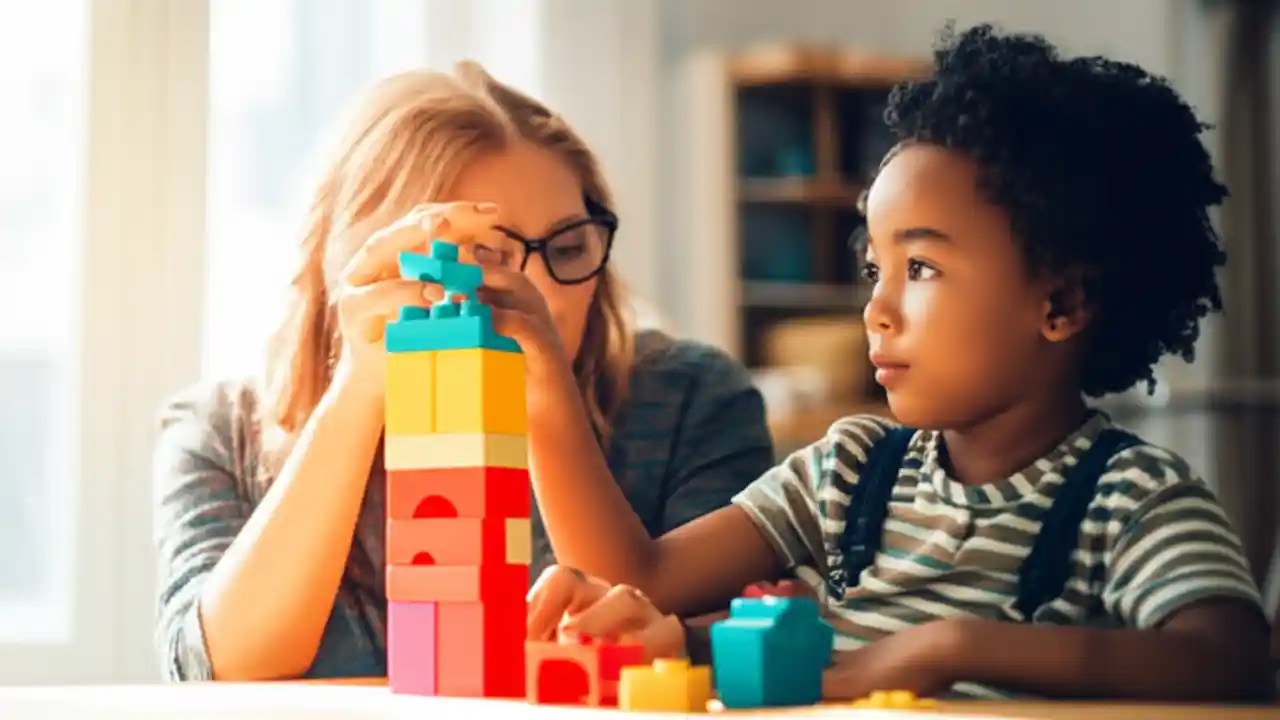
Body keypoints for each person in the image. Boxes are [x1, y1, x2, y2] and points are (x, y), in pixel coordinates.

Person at [525, 23, 1275, 703]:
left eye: (920, 268)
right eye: (874, 268)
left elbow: (1231, 657)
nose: (875, 309)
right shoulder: (845, 473)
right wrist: (544, 387)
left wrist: (951, 646)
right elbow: (641, 579)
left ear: (1062, 304)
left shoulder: (1132, 498)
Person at [150, 62, 775, 681]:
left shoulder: (690, 397)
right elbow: (218, 668)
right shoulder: (218, 434)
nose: (540, 295)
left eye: (566, 249)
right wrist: (360, 391)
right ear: (355, 263)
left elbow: (687, 651)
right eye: (481, 256)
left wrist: (545, 405)